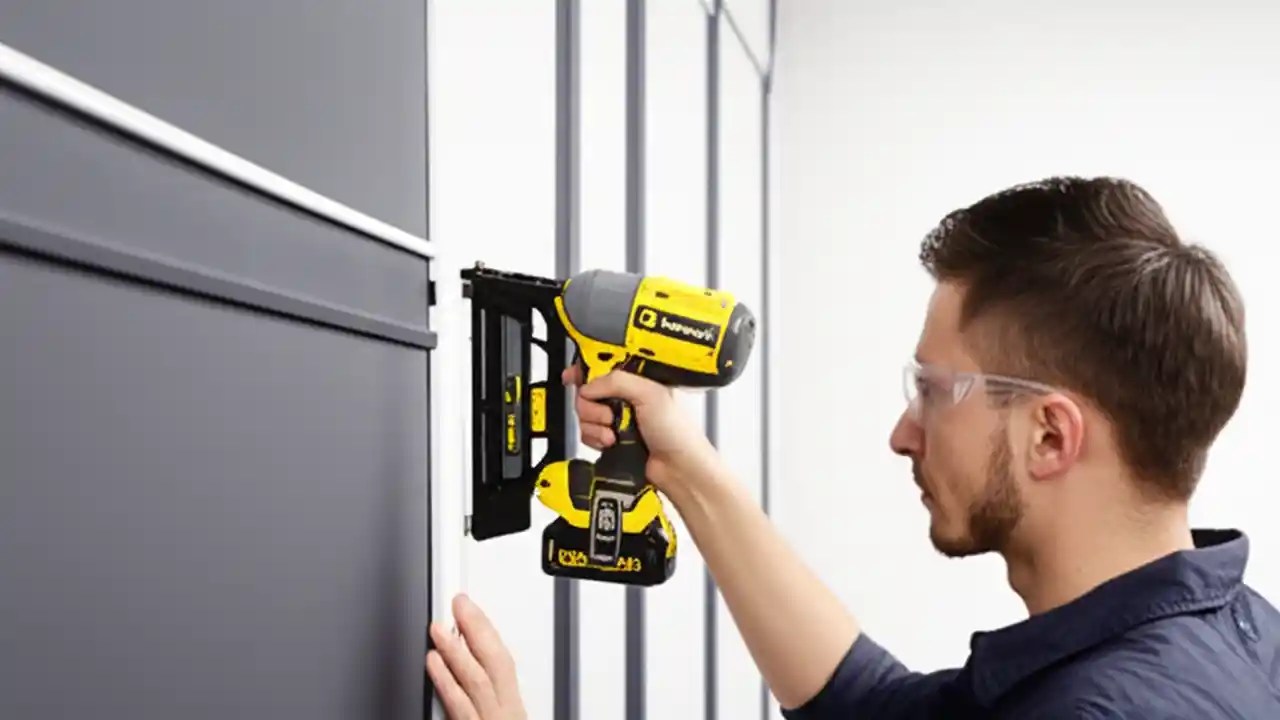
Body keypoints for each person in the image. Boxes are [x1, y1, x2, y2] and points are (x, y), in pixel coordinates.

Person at [425, 176, 1280, 718]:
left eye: (934, 392)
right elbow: (869, 707)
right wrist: (682, 463)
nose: (902, 433)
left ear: (1049, 434)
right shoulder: (1237, 631)